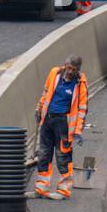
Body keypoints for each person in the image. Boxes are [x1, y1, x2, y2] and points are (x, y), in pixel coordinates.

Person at [34, 54, 88, 200]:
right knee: (44, 154)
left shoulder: (80, 83)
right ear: (65, 65)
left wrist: (77, 131)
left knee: (62, 156)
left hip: (63, 123)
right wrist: (39, 109)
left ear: (78, 70)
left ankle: (64, 190)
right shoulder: (54, 73)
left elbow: (82, 108)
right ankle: (41, 188)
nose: (70, 71)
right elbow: (46, 92)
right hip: (48, 119)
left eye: (74, 69)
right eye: (69, 68)